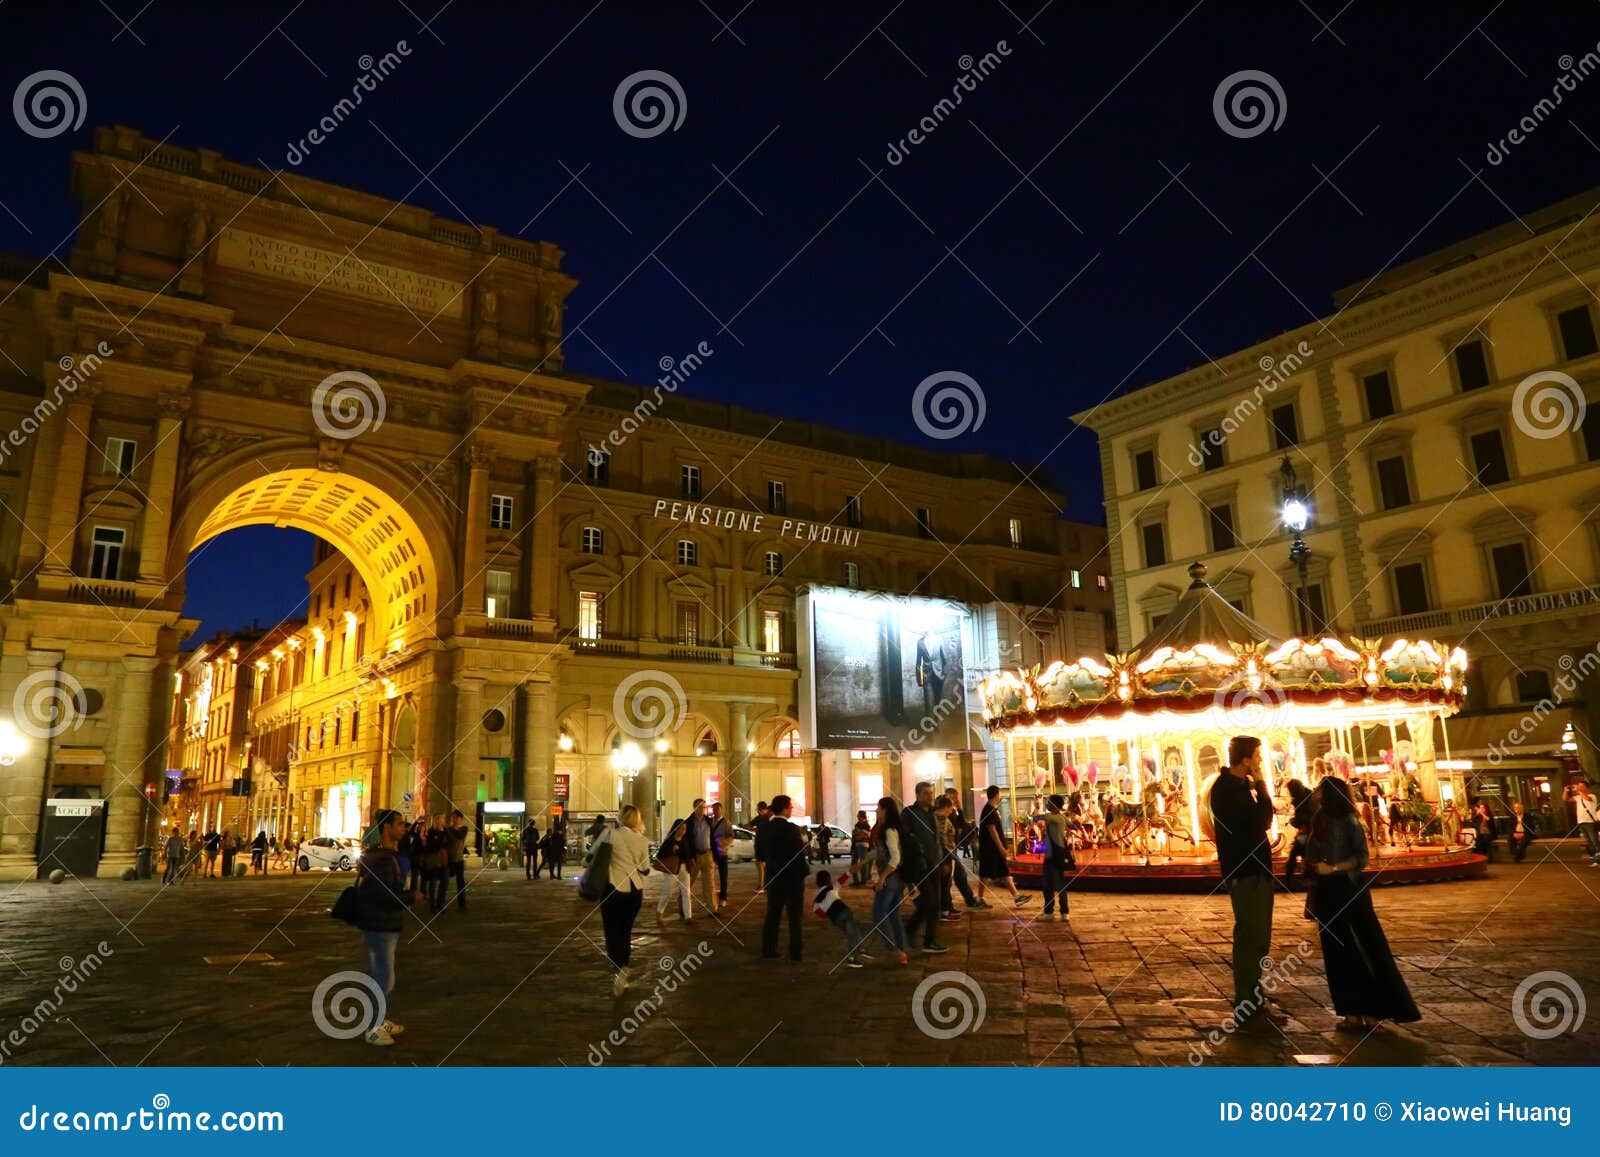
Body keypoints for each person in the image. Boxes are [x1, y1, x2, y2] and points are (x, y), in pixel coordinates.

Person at [1305, 777, 1420, 1032]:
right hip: (1330, 891)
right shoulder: (1321, 820)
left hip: (1346, 888)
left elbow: (1361, 857)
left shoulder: (1347, 821)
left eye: (1320, 790)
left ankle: (1369, 1008)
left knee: (1360, 946)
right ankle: (1352, 1010)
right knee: (1339, 951)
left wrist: (1331, 867)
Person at [1209, 735, 1276, 1023]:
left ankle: (1253, 993)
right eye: (1257, 757)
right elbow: (1262, 821)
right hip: (1246, 871)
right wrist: (1261, 785)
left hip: (1255, 869)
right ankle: (1246, 998)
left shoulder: (1235, 787)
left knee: (1259, 937)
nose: (1260, 763)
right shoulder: (1227, 789)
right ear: (1246, 760)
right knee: (1251, 935)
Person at [355, 808, 425, 1046]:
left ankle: (379, 1019)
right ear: (386, 828)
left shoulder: (384, 855)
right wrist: (411, 897)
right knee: (383, 978)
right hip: (380, 925)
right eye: (399, 824)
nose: (404, 828)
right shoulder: (384, 859)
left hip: (382, 924)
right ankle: (373, 1028)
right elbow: (387, 896)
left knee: (383, 976)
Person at [595, 805, 653, 996]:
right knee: (626, 931)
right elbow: (646, 868)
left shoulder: (610, 833)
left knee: (612, 930)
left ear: (621, 817)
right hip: (635, 891)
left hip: (613, 888)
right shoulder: (642, 840)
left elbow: (590, 857)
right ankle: (624, 965)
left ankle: (618, 968)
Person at [899, 782, 949, 954]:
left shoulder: (932, 814)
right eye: (926, 793)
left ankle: (911, 930)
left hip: (935, 863)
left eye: (931, 793)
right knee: (931, 902)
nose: (930, 796)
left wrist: (944, 861)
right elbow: (905, 838)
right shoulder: (909, 814)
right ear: (918, 795)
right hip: (920, 866)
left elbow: (938, 839)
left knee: (931, 903)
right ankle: (929, 941)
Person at [760, 794, 808, 961]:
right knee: (795, 918)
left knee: (772, 914)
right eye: (790, 807)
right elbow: (799, 856)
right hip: (792, 879)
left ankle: (768, 948)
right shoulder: (791, 829)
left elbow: (759, 853)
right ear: (785, 808)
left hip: (773, 877)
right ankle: (795, 952)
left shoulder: (764, 828)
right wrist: (803, 874)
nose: (792, 810)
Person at [976, 784, 1031, 907]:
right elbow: (992, 829)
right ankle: (979, 898)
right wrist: (1001, 847)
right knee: (985, 873)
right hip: (991, 849)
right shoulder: (989, 810)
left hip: (993, 848)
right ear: (996, 795)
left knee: (1004, 872)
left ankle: (1016, 897)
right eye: (999, 794)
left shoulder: (990, 809)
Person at [869, 797, 909, 965]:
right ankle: (901, 950)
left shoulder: (889, 830)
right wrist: (862, 863)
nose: (877, 811)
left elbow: (895, 857)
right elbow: (881, 853)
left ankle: (894, 950)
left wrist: (882, 878)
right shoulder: (891, 829)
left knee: (878, 915)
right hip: (897, 878)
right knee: (893, 915)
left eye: (879, 808)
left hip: (891, 878)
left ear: (886, 810)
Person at [813, 870, 867, 968]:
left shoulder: (816, 902)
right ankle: (852, 958)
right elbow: (844, 878)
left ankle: (860, 949)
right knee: (853, 933)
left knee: (852, 932)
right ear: (829, 880)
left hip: (835, 919)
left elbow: (819, 913)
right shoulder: (832, 887)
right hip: (845, 912)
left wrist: (829, 912)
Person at [943, 787, 985, 908]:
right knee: (951, 878)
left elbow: (960, 823)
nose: (956, 800)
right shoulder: (945, 811)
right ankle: (949, 905)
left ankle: (967, 900)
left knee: (959, 875)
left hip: (953, 846)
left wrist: (960, 809)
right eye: (954, 797)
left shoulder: (953, 810)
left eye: (957, 797)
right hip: (948, 848)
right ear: (947, 796)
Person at [1040, 794, 1074, 920]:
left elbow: (1037, 817)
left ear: (1054, 805)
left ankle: (1061, 912)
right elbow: (1072, 825)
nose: (1047, 804)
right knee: (1050, 885)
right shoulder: (1061, 818)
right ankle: (1055, 912)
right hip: (1052, 854)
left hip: (1054, 854)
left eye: (1049, 802)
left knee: (1055, 885)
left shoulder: (1056, 818)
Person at [654, 817, 692, 926]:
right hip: (672, 869)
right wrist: (672, 850)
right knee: (667, 892)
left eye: (684, 829)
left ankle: (688, 916)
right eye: (680, 829)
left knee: (686, 892)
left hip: (684, 868)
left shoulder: (685, 840)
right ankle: (659, 913)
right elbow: (661, 855)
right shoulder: (669, 841)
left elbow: (687, 854)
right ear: (676, 829)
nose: (682, 831)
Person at [684, 799, 719, 917]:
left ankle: (712, 909)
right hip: (695, 855)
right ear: (694, 807)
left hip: (708, 854)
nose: (702, 809)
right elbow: (687, 841)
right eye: (699, 807)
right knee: (689, 882)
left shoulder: (709, 821)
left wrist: (715, 855)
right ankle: (682, 905)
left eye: (704, 807)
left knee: (710, 883)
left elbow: (713, 838)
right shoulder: (689, 822)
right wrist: (690, 857)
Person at [1282, 779, 1316, 884]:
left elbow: (1301, 818)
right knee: (1303, 854)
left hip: (1306, 831)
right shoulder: (1308, 795)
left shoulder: (1301, 800)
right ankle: (1304, 877)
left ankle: (1289, 879)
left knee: (1295, 852)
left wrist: (1292, 821)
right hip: (1309, 831)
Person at [934, 796, 961, 921]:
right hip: (945, 856)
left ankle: (945, 909)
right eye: (950, 807)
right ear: (945, 807)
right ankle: (943, 912)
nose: (951, 810)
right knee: (944, 884)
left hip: (944, 855)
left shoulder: (937, 816)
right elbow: (942, 840)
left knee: (944, 884)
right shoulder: (941, 818)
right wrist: (945, 860)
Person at [1568, 781, 1600, 865]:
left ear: (1587, 787)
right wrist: (1565, 791)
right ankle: (1596, 861)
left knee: (1595, 842)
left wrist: (1578, 790)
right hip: (1581, 822)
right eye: (1579, 786)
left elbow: (1587, 799)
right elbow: (1566, 799)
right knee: (1589, 843)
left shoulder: (1592, 796)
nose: (1580, 788)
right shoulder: (1578, 797)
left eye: (1582, 786)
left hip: (1590, 822)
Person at [710, 801, 734, 906]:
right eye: (714, 809)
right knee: (710, 876)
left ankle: (723, 897)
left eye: (717, 809)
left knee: (723, 876)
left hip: (721, 852)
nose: (715, 811)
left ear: (721, 809)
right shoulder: (710, 821)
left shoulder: (726, 823)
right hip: (711, 852)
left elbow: (731, 836)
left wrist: (723, 843)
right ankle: (711, 898)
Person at [446, 809, 470, 910]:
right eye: (453, 818)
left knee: (460, 882)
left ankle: (462, 903)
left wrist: (448, 830)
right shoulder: (449, 829)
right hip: (449, 859)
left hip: (459, 859)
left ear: (461, 819)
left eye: (456, 817)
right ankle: (441, 903)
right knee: (445, 881)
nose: (454, 820)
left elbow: (459, 836)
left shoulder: (463, 829)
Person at [751, 800, 772, 888]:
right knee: (760, 864)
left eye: (758, 809)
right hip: (761, 844)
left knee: (763, 865)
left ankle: (763, 885)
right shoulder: (759, 818)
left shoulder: (768, 818)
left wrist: (758, 830)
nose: (758, 811)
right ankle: (762, 884)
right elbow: (750, 825)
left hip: (766, 844)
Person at [849, 810, 872, 886]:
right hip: (856, 845)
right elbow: (855, 834)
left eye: (858, 815)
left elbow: (866, 835)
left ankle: (863, 881)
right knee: (854, 863)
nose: (857, 816)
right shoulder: (857, 824)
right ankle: (856, 881)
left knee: (863, 863)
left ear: (862, 816)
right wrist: (859, 833)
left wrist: (858, 834)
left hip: (863, 845)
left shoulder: (866, 825)